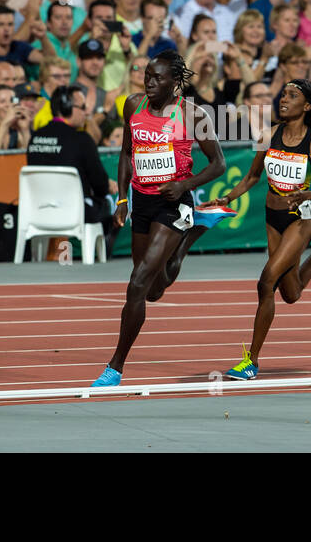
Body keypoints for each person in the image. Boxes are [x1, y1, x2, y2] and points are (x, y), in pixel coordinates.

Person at [199, 80, 311, 379]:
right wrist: (227, 197)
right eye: (283, 94)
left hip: (301, 219)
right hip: (272, 217)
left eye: (292, 96)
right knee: (291, 293)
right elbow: (252, 177)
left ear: (306, 106)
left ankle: (251, 361)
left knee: (266, 282)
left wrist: (308, 194)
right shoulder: (268, 135)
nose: (283, 99)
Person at [91, 51, 231, 387]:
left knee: (137, 283)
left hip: (173, 203)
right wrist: (122, 197)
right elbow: (127, 152)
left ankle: (114, 367)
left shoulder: (193, 115)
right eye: (146, 76)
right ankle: (192, 234)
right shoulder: (133, 105)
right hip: (142, 202)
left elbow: (218, 164)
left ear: (174, 82)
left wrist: (184, 184)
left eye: (157, 78)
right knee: (153, 291)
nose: (149, 82)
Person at [27, 85, 117, 250]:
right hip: (76, 212)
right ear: (67, 107)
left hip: (38, 211)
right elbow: (100, 185)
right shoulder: (82, 140)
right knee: (113, 202)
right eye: (82, 107)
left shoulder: (35, 138)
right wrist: (108, 185)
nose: (86, 113)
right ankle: (102, 253)